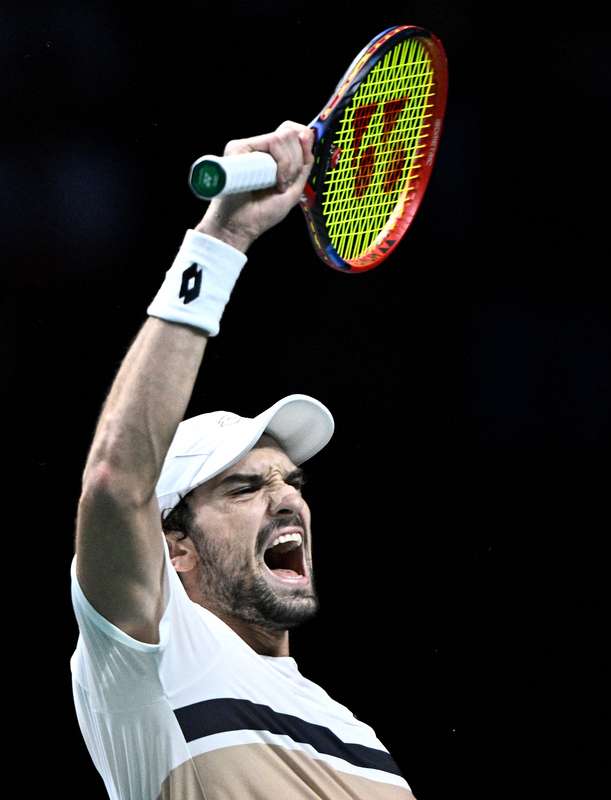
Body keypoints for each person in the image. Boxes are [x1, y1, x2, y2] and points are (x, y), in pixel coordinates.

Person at [70, 121, 416, 799]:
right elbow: (117, 482)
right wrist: (222, 240)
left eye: (291, 481)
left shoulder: (365, 746)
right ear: (175, 549)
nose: (286, 498)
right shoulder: (156, 667)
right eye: (245, 487)